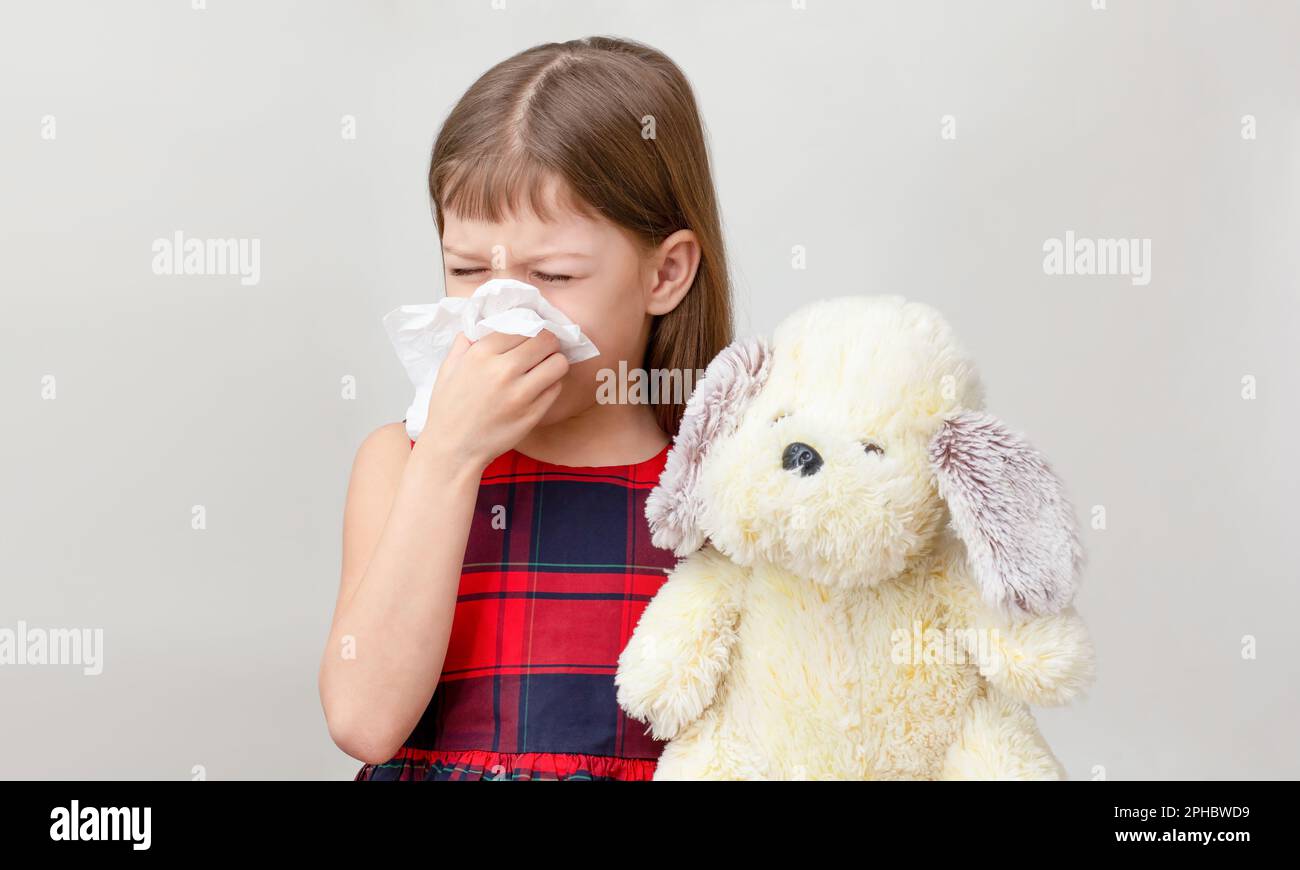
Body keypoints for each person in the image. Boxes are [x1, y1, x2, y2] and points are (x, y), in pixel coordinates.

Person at [318, 36, 734, 780]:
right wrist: (448, 459)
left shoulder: (731, 491)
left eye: (553, 274)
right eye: (467, 269)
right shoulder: (402, 464)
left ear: (665, 273)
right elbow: (362, 721)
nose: (506, 312)